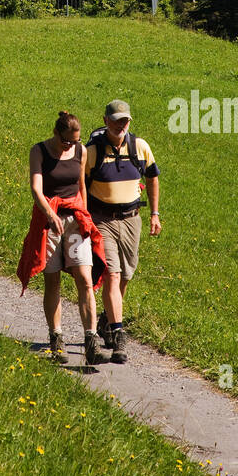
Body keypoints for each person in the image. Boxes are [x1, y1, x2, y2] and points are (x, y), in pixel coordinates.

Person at [17, 111, 108, 367]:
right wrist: (49, 213)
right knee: (53, 280)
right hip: (49, 220)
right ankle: (56, 338)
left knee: (85, 279)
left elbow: (81, 186)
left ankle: (91, 342)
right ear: (56, 133)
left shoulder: (80, 151)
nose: (71, 145)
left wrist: (86, 216)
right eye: (67, 141)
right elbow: (36, 188)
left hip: (76, 218)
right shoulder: (39, 151)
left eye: (75, 141)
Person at [84, 99, 161, 364]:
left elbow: (152, 177)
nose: (121, 125)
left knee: (126, 274)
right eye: (116, 120)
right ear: (105, 120)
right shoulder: (92, 150)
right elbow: (81, 185)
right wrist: (82, 219)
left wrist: (154, 213)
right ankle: (118, 335)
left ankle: (107, 318)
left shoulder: (139, 147)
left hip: (132, 220)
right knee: (113, 275)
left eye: (125, 120)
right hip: (102, 220)